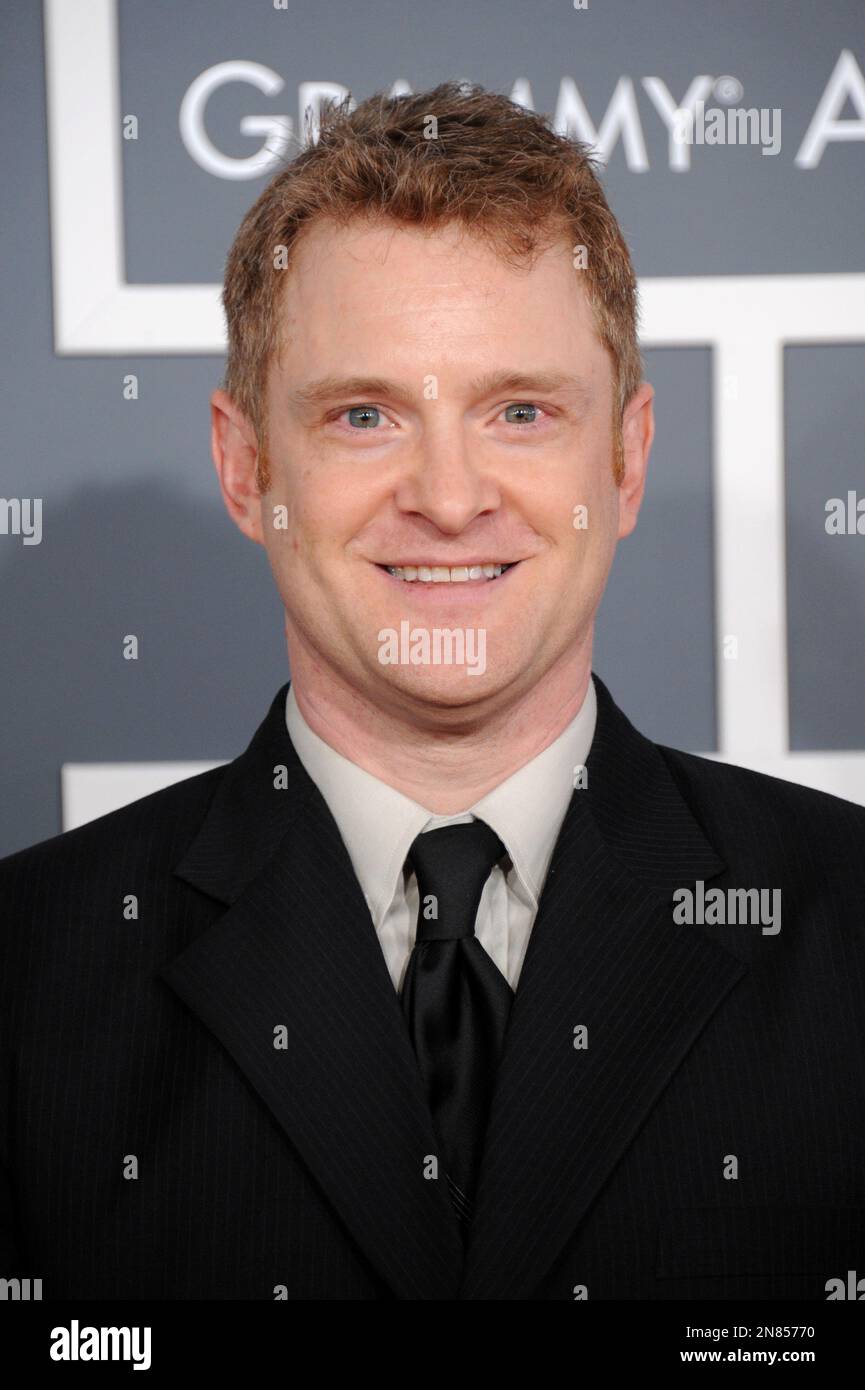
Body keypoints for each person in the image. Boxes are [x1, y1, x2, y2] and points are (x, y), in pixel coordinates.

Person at [1, 81, 864, 1303]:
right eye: (365, 415)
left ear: (624, 459)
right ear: (247, 470)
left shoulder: (845, 929)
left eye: (519, 410)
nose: (450, 498)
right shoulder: (27, 977)